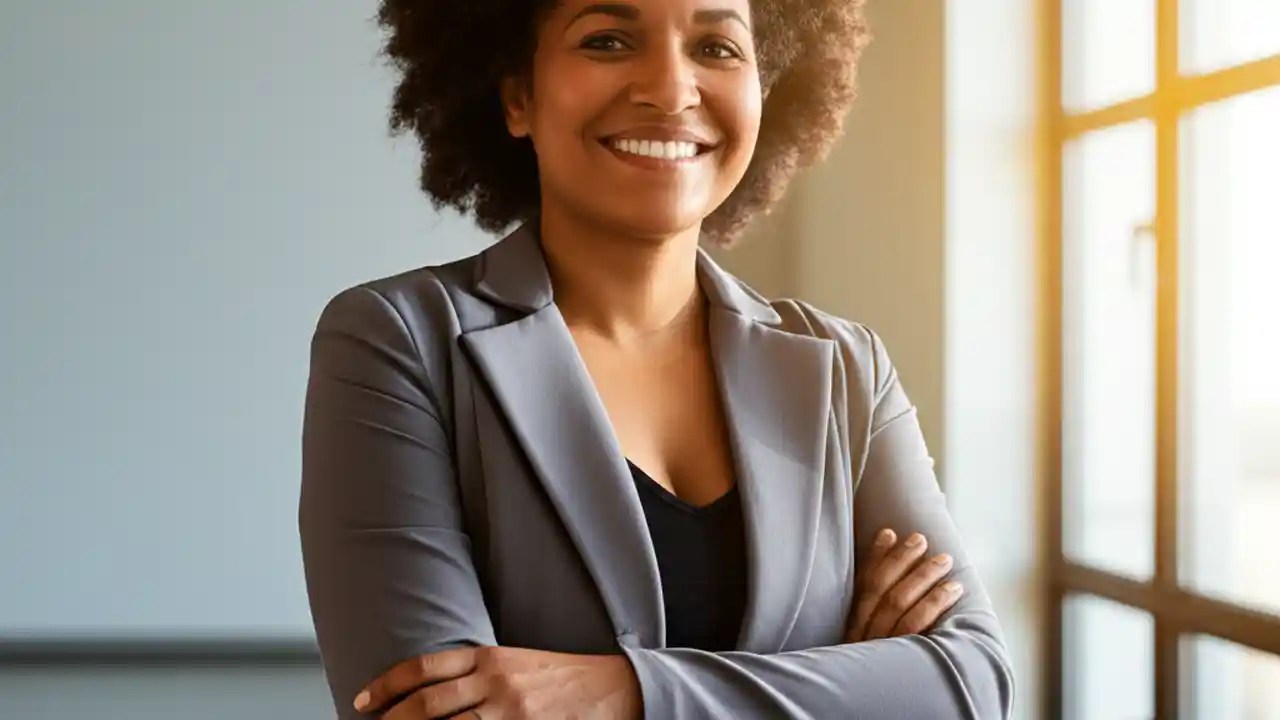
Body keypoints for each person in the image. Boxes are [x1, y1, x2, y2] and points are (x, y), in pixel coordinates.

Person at [298, 0, 1015, 717]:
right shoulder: (397, 343)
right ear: (519, 95)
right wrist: (845, 682)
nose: (671, 91)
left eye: (718, 48)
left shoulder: (846, 368)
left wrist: (625, 693)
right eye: (608, 41)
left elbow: (970, 682)